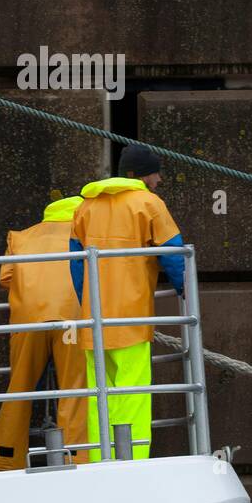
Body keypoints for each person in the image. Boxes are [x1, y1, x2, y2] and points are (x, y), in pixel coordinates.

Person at [69, 144, 185, 461]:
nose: (159, 179)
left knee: (99, 395)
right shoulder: (149, 204)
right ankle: (132, 461)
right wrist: (184, 291)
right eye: (156, 173)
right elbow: (175, 255)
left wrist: (87, 305)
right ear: (144, 176)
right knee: (133, 391)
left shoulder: (85, 207)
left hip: (94, 321)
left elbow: (76, 265)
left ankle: (99, 459)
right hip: (131, 318)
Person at [0, 195, 89, 470]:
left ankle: (5, 457)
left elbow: (5, 278)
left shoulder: (20, 237)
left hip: (28, 320)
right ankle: (76, 457)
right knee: (74, 389)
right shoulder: (84, 232)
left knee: (19, 388)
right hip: (72, 320)